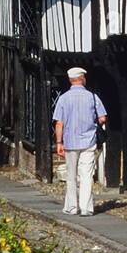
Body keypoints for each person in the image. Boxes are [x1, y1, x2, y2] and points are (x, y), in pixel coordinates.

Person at [52, 67, 108, 216]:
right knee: (86, 175)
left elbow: (59, 123)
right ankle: (86, 208)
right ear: (82, 79)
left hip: (70, 142)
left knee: (71, 176)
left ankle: (71, 207)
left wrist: (59, 143)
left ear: (70, 80)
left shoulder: (63, 98)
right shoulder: (92, 97)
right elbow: (102, 118)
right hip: (88, 141)